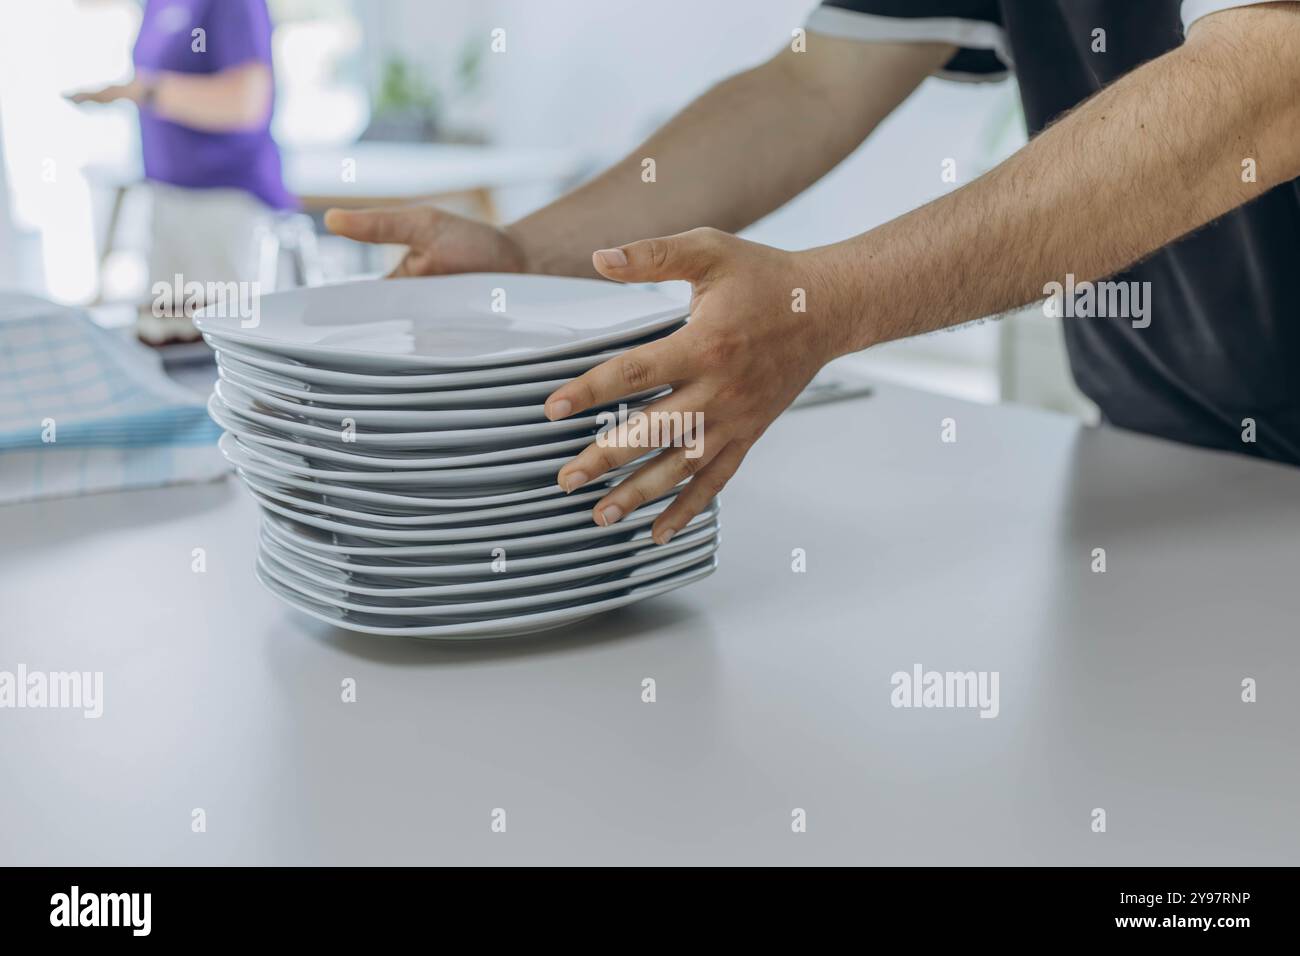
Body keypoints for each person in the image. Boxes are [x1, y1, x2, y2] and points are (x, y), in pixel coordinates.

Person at [325, 1, 1300, 547]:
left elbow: (1269, 77)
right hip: (1158, 455)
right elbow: (816, 81)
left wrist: (825, 300)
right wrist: (526, 259)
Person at [70, 0, 293, 345]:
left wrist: (142, 91)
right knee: (167, 338)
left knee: (227, 345)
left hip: (223, 202)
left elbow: (245, 103)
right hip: (167, 200)